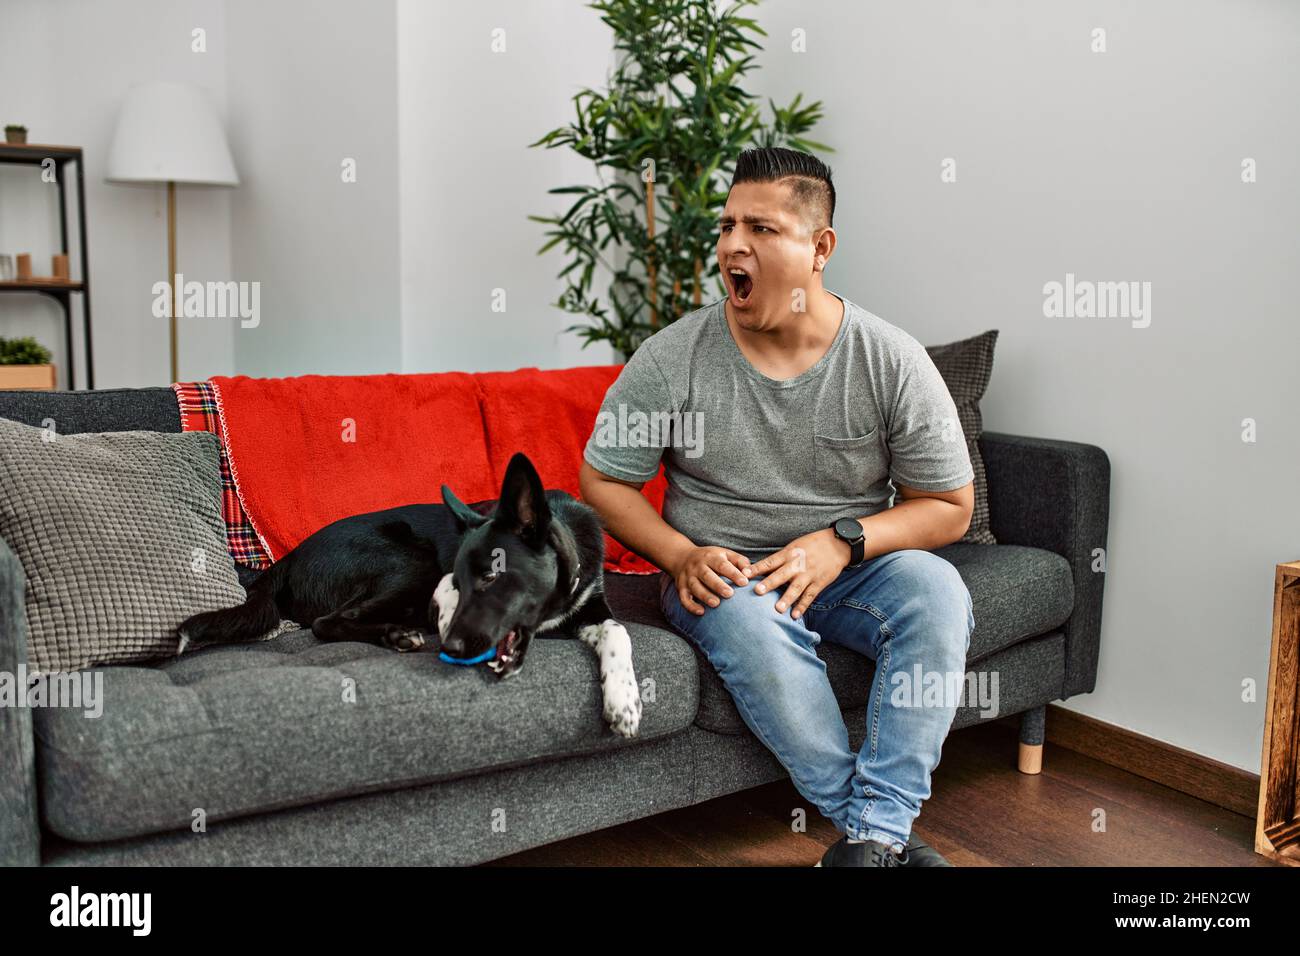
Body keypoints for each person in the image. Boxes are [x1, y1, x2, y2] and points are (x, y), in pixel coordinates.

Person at [579, 146, 976, 868]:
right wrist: (680, 555)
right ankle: (882, 839)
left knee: (939, 591)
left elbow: (950, 505)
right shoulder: (672, 357)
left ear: (820, 249)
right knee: (751, 622)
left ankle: (871, 846)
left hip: (849, 570)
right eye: (728, 226)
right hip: (726, 576)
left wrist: (844, 540)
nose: (734, 244)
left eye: (762, 228)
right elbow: (604, 480)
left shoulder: (890, 359)